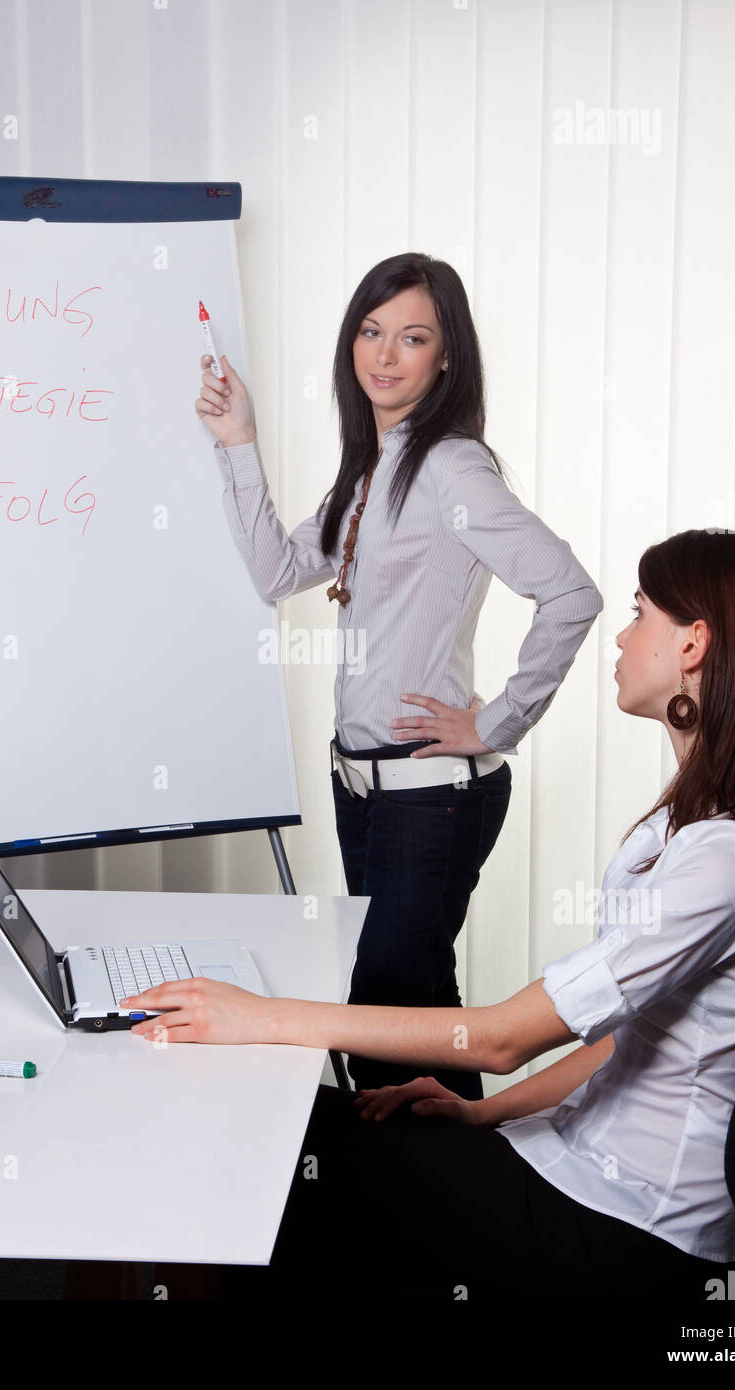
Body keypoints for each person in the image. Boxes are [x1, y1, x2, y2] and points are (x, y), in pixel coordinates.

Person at [120, 529, 735, 1300]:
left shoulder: (730, 861)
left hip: (627, 1235)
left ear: (692, 645)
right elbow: (622, 1044)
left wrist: (260, 1017)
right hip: (574, 1167)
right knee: (292, 1132)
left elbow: (500, 1038)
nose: (623, 637)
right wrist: (481, 1116)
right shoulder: (710, 826)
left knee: (264, 1152)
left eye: (639, 615)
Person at [197, 252, 602, 1099]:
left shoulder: (451, 468)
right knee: (415, 1005)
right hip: (366, 791)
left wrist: (497, 723)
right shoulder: (371, 466)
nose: (384, 355)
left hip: (430, 795)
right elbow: (279, 574)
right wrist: (239, 441)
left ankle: (417, 1205)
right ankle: (459, 1191)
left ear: (445, 356)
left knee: (385, 1012)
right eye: (371, 333)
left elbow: (569, 591)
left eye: (412, 338)